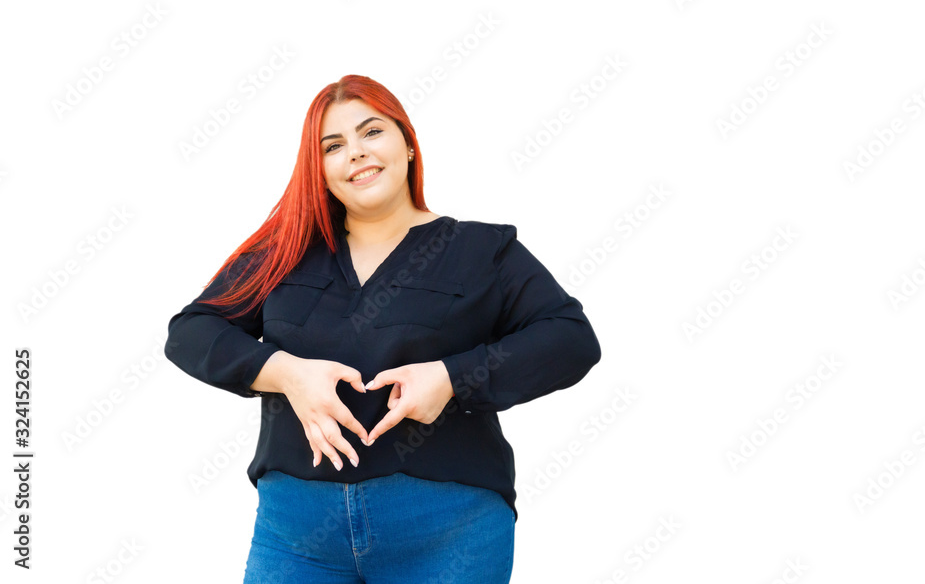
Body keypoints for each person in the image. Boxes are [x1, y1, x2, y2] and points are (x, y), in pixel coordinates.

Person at [164, 74, 602, 583]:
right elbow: (191, 330)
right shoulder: (283, 255)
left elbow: (570, 338)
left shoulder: (484, 251)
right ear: (320, 169)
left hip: (448, 529)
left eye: (371, 132)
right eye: (333, 145)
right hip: (296, 534)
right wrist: (284, 373)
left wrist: (454, 378)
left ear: (408, 144)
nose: (355, 152)